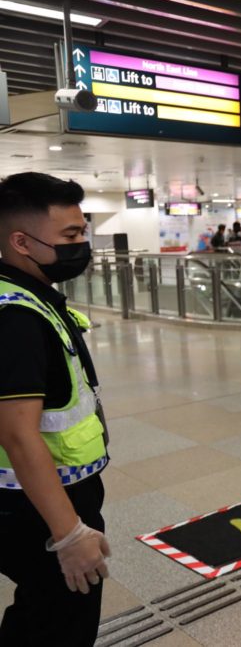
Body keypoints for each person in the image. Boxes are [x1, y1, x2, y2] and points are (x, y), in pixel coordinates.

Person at [0, 173, 112, 645]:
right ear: (21, 242)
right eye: (69, 235)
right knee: (58, 626)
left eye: (83, 231)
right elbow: (17, 434)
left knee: (40, 615)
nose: (81, 244)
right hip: (38, 506)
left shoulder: (32, 298)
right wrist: (68, 534)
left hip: (43, 494)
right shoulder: (17, 317)